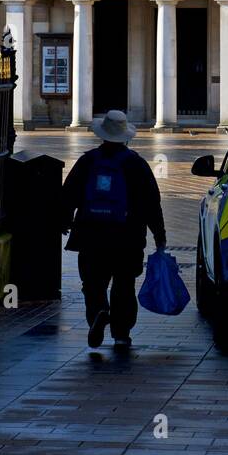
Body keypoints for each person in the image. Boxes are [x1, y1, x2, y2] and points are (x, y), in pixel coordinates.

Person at [60, 110, 167, 349]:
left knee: (93, 283)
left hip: (91, 234)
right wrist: (159, 235)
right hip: (126, 236)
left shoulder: (88, 160)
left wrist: (65, 221)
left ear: (102, 135)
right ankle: (121, 334)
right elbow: (151, 202)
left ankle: (99, 312)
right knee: (124, 284)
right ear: (125, 136)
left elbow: (69, 194)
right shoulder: (136, 164)